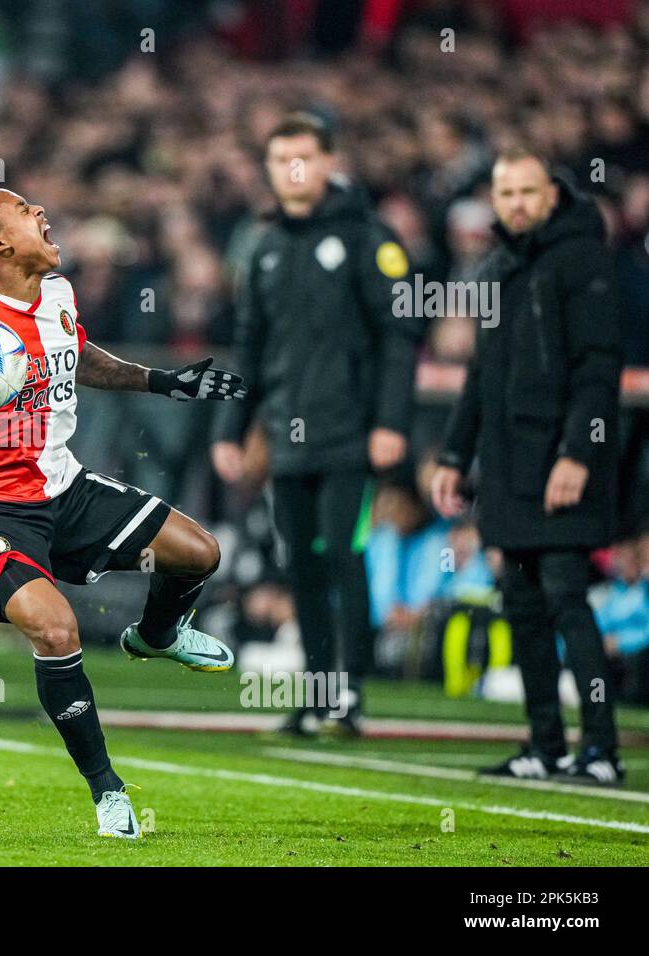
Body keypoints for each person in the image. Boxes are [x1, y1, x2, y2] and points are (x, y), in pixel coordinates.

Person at [0, 187, 245, 837]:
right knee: (57, 631)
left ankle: (157, 635)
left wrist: (162, 380)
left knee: (201, 554)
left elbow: (83, 360)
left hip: (64, 488)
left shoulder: (62, 296)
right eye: (25, 212)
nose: (43, 214)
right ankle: (108, 794)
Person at [212, 113, 424, 735]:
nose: (291, 171)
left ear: (330, 161)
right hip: (287, 434)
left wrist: (391, 422)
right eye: (280, 160)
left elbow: (399, 338)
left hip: (352, 433)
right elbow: (248, 347)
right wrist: (232, 428)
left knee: (344, 554)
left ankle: (350, 694)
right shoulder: (266, 246)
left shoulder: (369, 240)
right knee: (300, 562)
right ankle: (316, 693)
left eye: (303, 158)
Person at [431, 147, 625, 786]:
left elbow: (598, 370)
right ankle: (545, 746)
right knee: (522, 605)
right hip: (508, 470)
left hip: (561, 464)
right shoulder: (502, 268)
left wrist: (577, 454)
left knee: (569, 601)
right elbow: (480, 378)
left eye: (526, 192)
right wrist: (456, 455)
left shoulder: (585, 261)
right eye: (504, 193)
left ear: (552, 195)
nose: (515, 204)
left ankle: (600, 751)